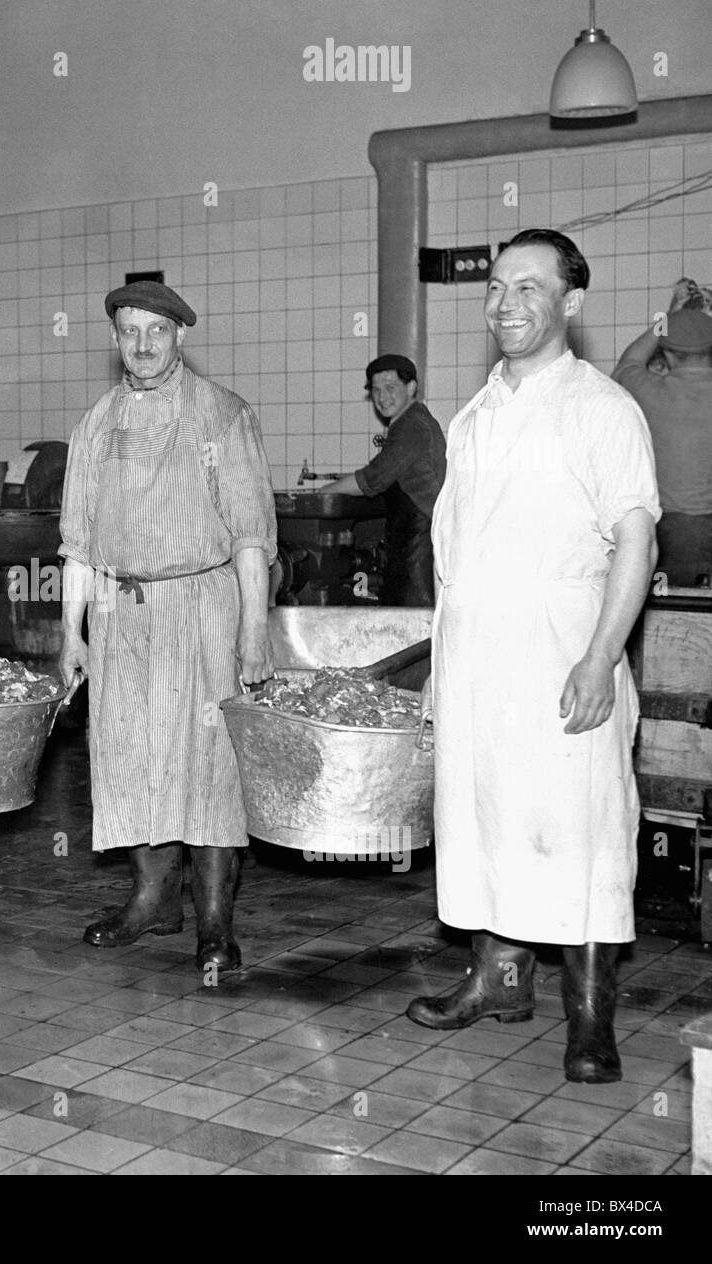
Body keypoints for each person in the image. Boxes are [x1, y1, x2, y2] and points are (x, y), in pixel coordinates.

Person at [407, 229, 660, 1086]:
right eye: (496, 288)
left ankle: (589, 1022)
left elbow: (635, 541)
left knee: (583, 833)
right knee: (484, 818)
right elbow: (456, 553)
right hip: (478, 660)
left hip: (562, 654)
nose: (506, 302)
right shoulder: (474, 415)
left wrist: (602, 658)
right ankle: (497, 981)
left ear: (571, 303)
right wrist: (445, 664)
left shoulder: (602, 408)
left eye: (529, 286)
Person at [58, 280, 277, 972]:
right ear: (115, 338)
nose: (143, 345)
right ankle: (153, 901)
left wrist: (253, 630)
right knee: (128, 759)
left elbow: (250, 536)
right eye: (130, 332)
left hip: (202, 612)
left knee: (209, 769)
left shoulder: (221, 416)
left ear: (181, 334)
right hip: (120, 616)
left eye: (157, 331)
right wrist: (72, 633)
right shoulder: (95, 425)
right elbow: (77, 546)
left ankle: (215, 921)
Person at [322, 354, 446, 605]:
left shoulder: (412, 425)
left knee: (413, 625)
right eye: (376, 390)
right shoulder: (411, 422)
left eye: (390, 388)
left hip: (421, 544)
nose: (382, 398)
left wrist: (322, 493)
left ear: (411, 388)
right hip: (416, 541)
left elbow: (371, 479)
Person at [612, 306, 712, 587]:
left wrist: (667, 319)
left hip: (670, 533)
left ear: (666, 353)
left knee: (672, 619)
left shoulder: (648, 391)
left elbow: (627, 364)